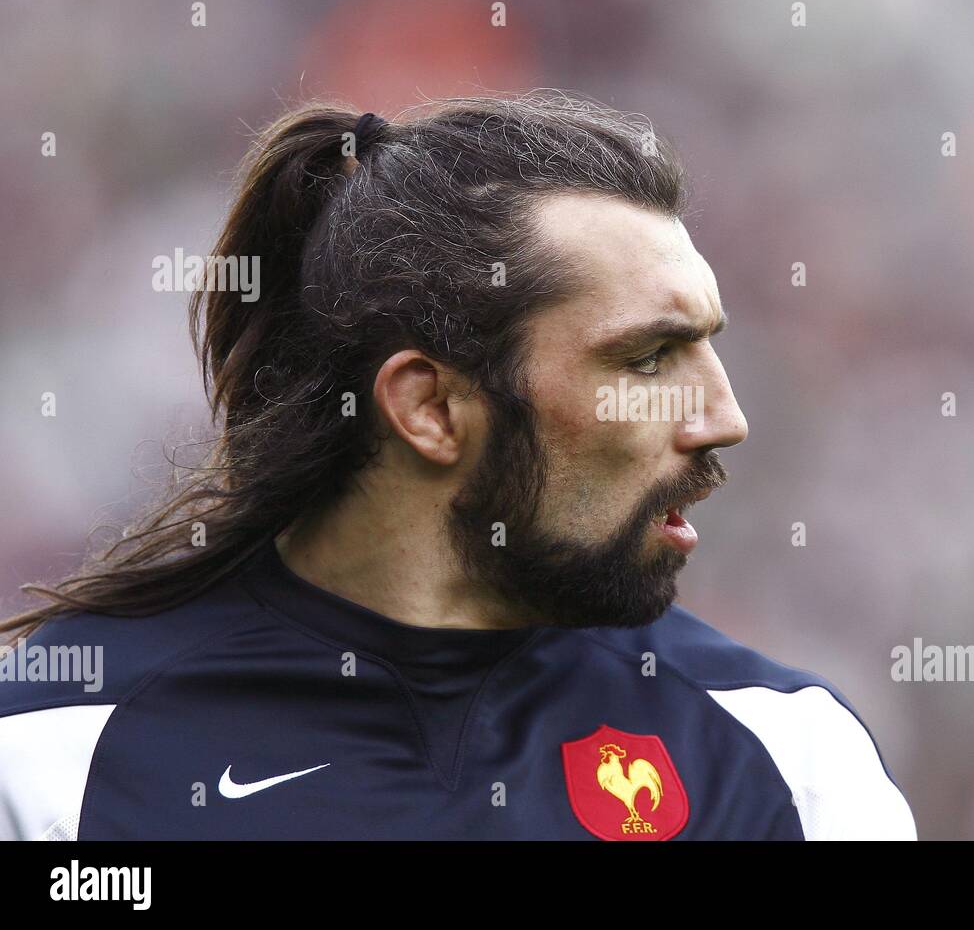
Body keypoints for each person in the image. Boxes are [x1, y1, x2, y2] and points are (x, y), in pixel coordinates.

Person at [0, 94, 916, 840]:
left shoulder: (786, 759)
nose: (725, 420)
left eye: (710, 352)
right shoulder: (49, 758)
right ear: (430, 407)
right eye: (647, 361)